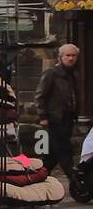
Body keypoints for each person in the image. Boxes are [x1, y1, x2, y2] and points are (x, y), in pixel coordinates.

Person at [37, 44, 80, 186]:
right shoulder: (52, 73)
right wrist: (43, 116)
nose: (71, 58)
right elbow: (40, 95)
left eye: (73, 56)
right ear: (60, 57)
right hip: (55, 118)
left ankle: (38, 178)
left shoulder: (73, 74)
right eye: (68, 55)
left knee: (51, 155)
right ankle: (76, 182)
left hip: (67, 117)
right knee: (64, 150)